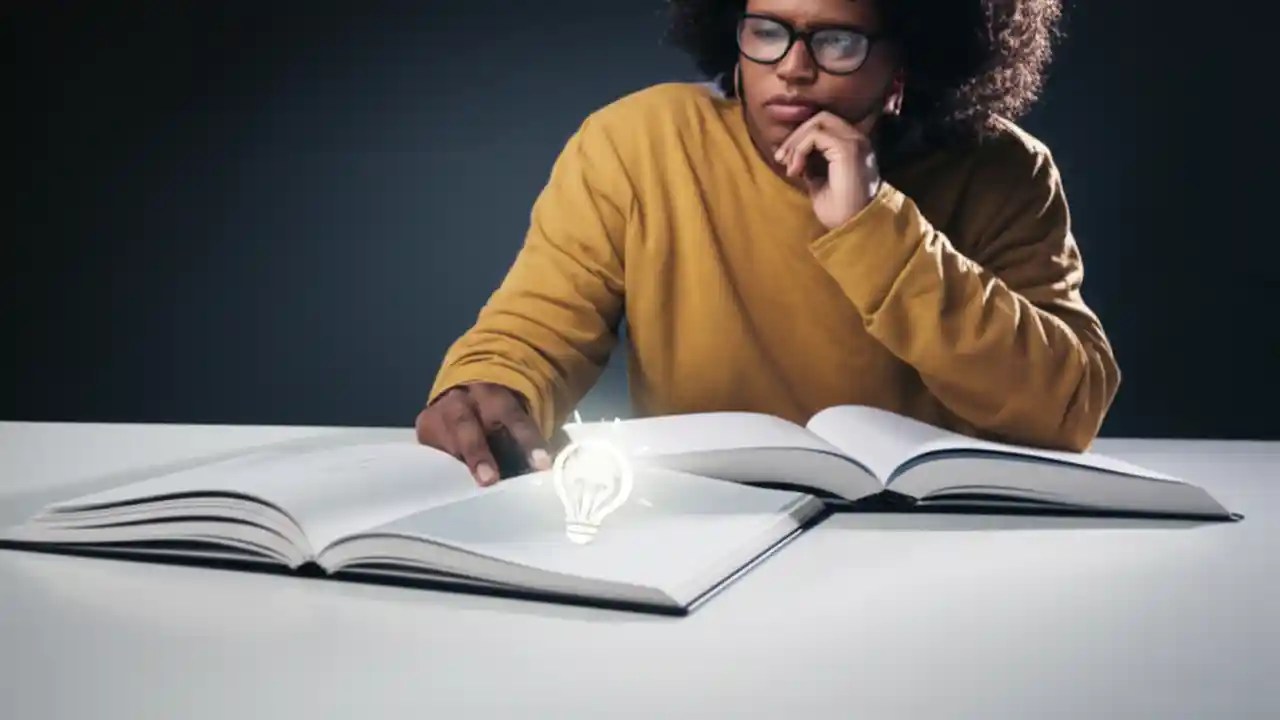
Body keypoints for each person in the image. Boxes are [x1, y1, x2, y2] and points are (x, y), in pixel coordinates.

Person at [416, 0, 1121, 486]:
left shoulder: (1004, 170)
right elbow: (534, 328)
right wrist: (490, 386)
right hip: (702, 533)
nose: (791, 67)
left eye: (836, 40)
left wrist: (873, 223)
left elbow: (1069, 407)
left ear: (906, 63)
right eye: (766, 31)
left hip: (933, 544)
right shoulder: (637, 144)